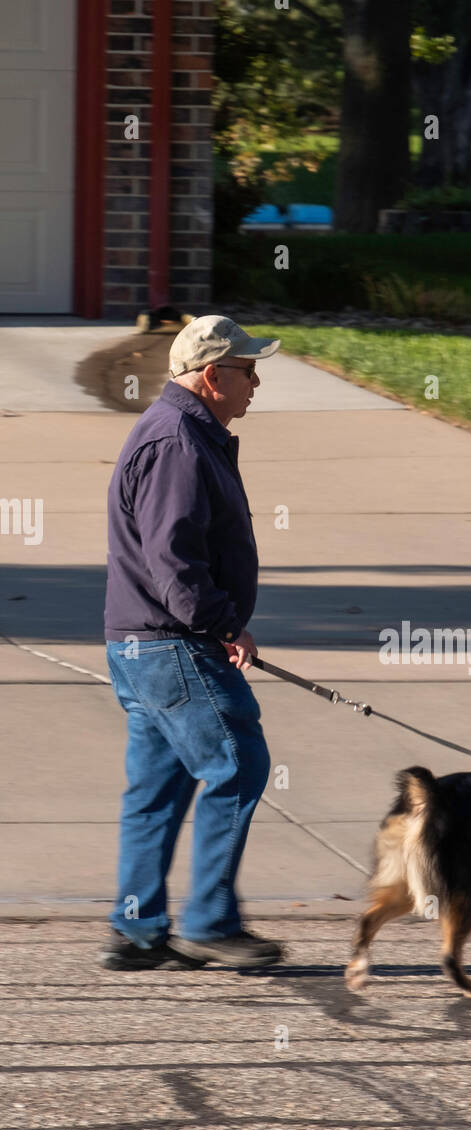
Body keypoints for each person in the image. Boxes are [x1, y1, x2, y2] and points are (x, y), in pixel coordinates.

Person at [101, 315, 283, 971]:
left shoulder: (184, 433)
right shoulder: (179, 441)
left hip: (146, 646)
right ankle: (210, 921)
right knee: (239, 764)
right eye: (247, 370)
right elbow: (173, 562)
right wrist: (223, 624)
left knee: (157, 789)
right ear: (212, 376)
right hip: (171, 647)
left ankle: (138, 929)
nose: (256, 383)